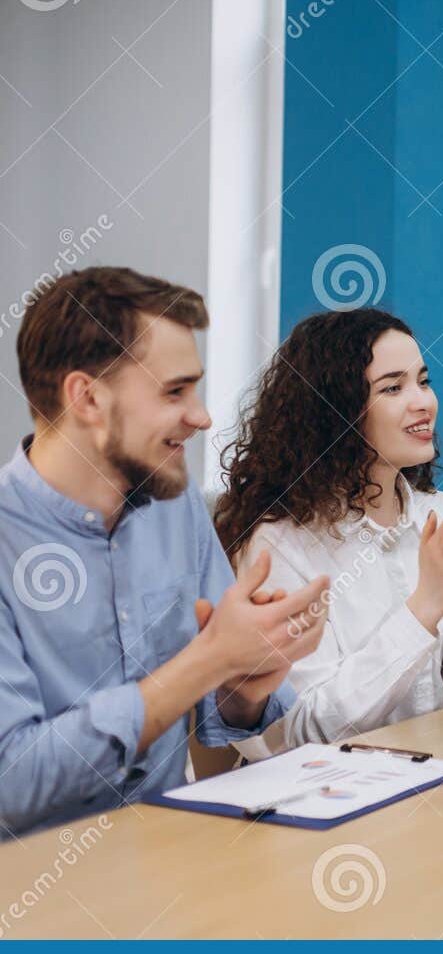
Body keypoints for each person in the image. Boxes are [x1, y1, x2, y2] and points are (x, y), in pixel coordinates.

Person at [0, 267, 330, 838]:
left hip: (166, 866)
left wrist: (243, 685)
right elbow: (14, 785)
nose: (201, 416)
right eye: (174, 392)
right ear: (88, 398)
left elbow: (216, 718)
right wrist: (209, 660)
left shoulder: (172, 504)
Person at [214, 309, 443, 749]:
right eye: (392, 388)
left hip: (439, 783)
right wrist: (423, 607)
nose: (424, 401)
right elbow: (301, 733)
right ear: (335, 412)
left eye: (423, 381)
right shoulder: (281, 543)